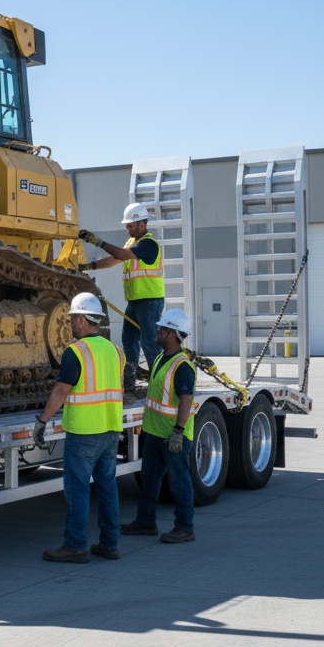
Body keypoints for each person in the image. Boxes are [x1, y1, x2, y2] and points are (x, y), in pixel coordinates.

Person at [35, 293, 125, 563]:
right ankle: (110, 544)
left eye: (73, 318)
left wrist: (42, 421)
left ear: (83, 320)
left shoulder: (75, 352)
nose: (71, 323)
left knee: (78, 490)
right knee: (107, 488)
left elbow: (62, 390)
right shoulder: (115, 351)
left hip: (84, 432)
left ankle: (75, 545)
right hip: (110, 429)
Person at [121, 308, 197, 543]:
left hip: (173, 436)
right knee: (150, 478)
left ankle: (185, 528)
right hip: (154, 432)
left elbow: (186, 400)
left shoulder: (182, 366)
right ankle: (146, 521)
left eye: (162, 329)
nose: (158, 331)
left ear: (173, 334)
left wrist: (178, 431)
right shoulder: (160, 360)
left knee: (179, 481)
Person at [78, 202, 164, 394]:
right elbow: (113, 260)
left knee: (149, 342)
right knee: (129, 340)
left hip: (150, 301)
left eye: (131, 225)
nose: (127, 228)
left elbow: (119, 254)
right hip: (135, 302)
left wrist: (98, 242)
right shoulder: (132, 244)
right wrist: (88, 267)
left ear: (142, 224)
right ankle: (130, 384)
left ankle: (159, 384)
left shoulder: (148, 244)